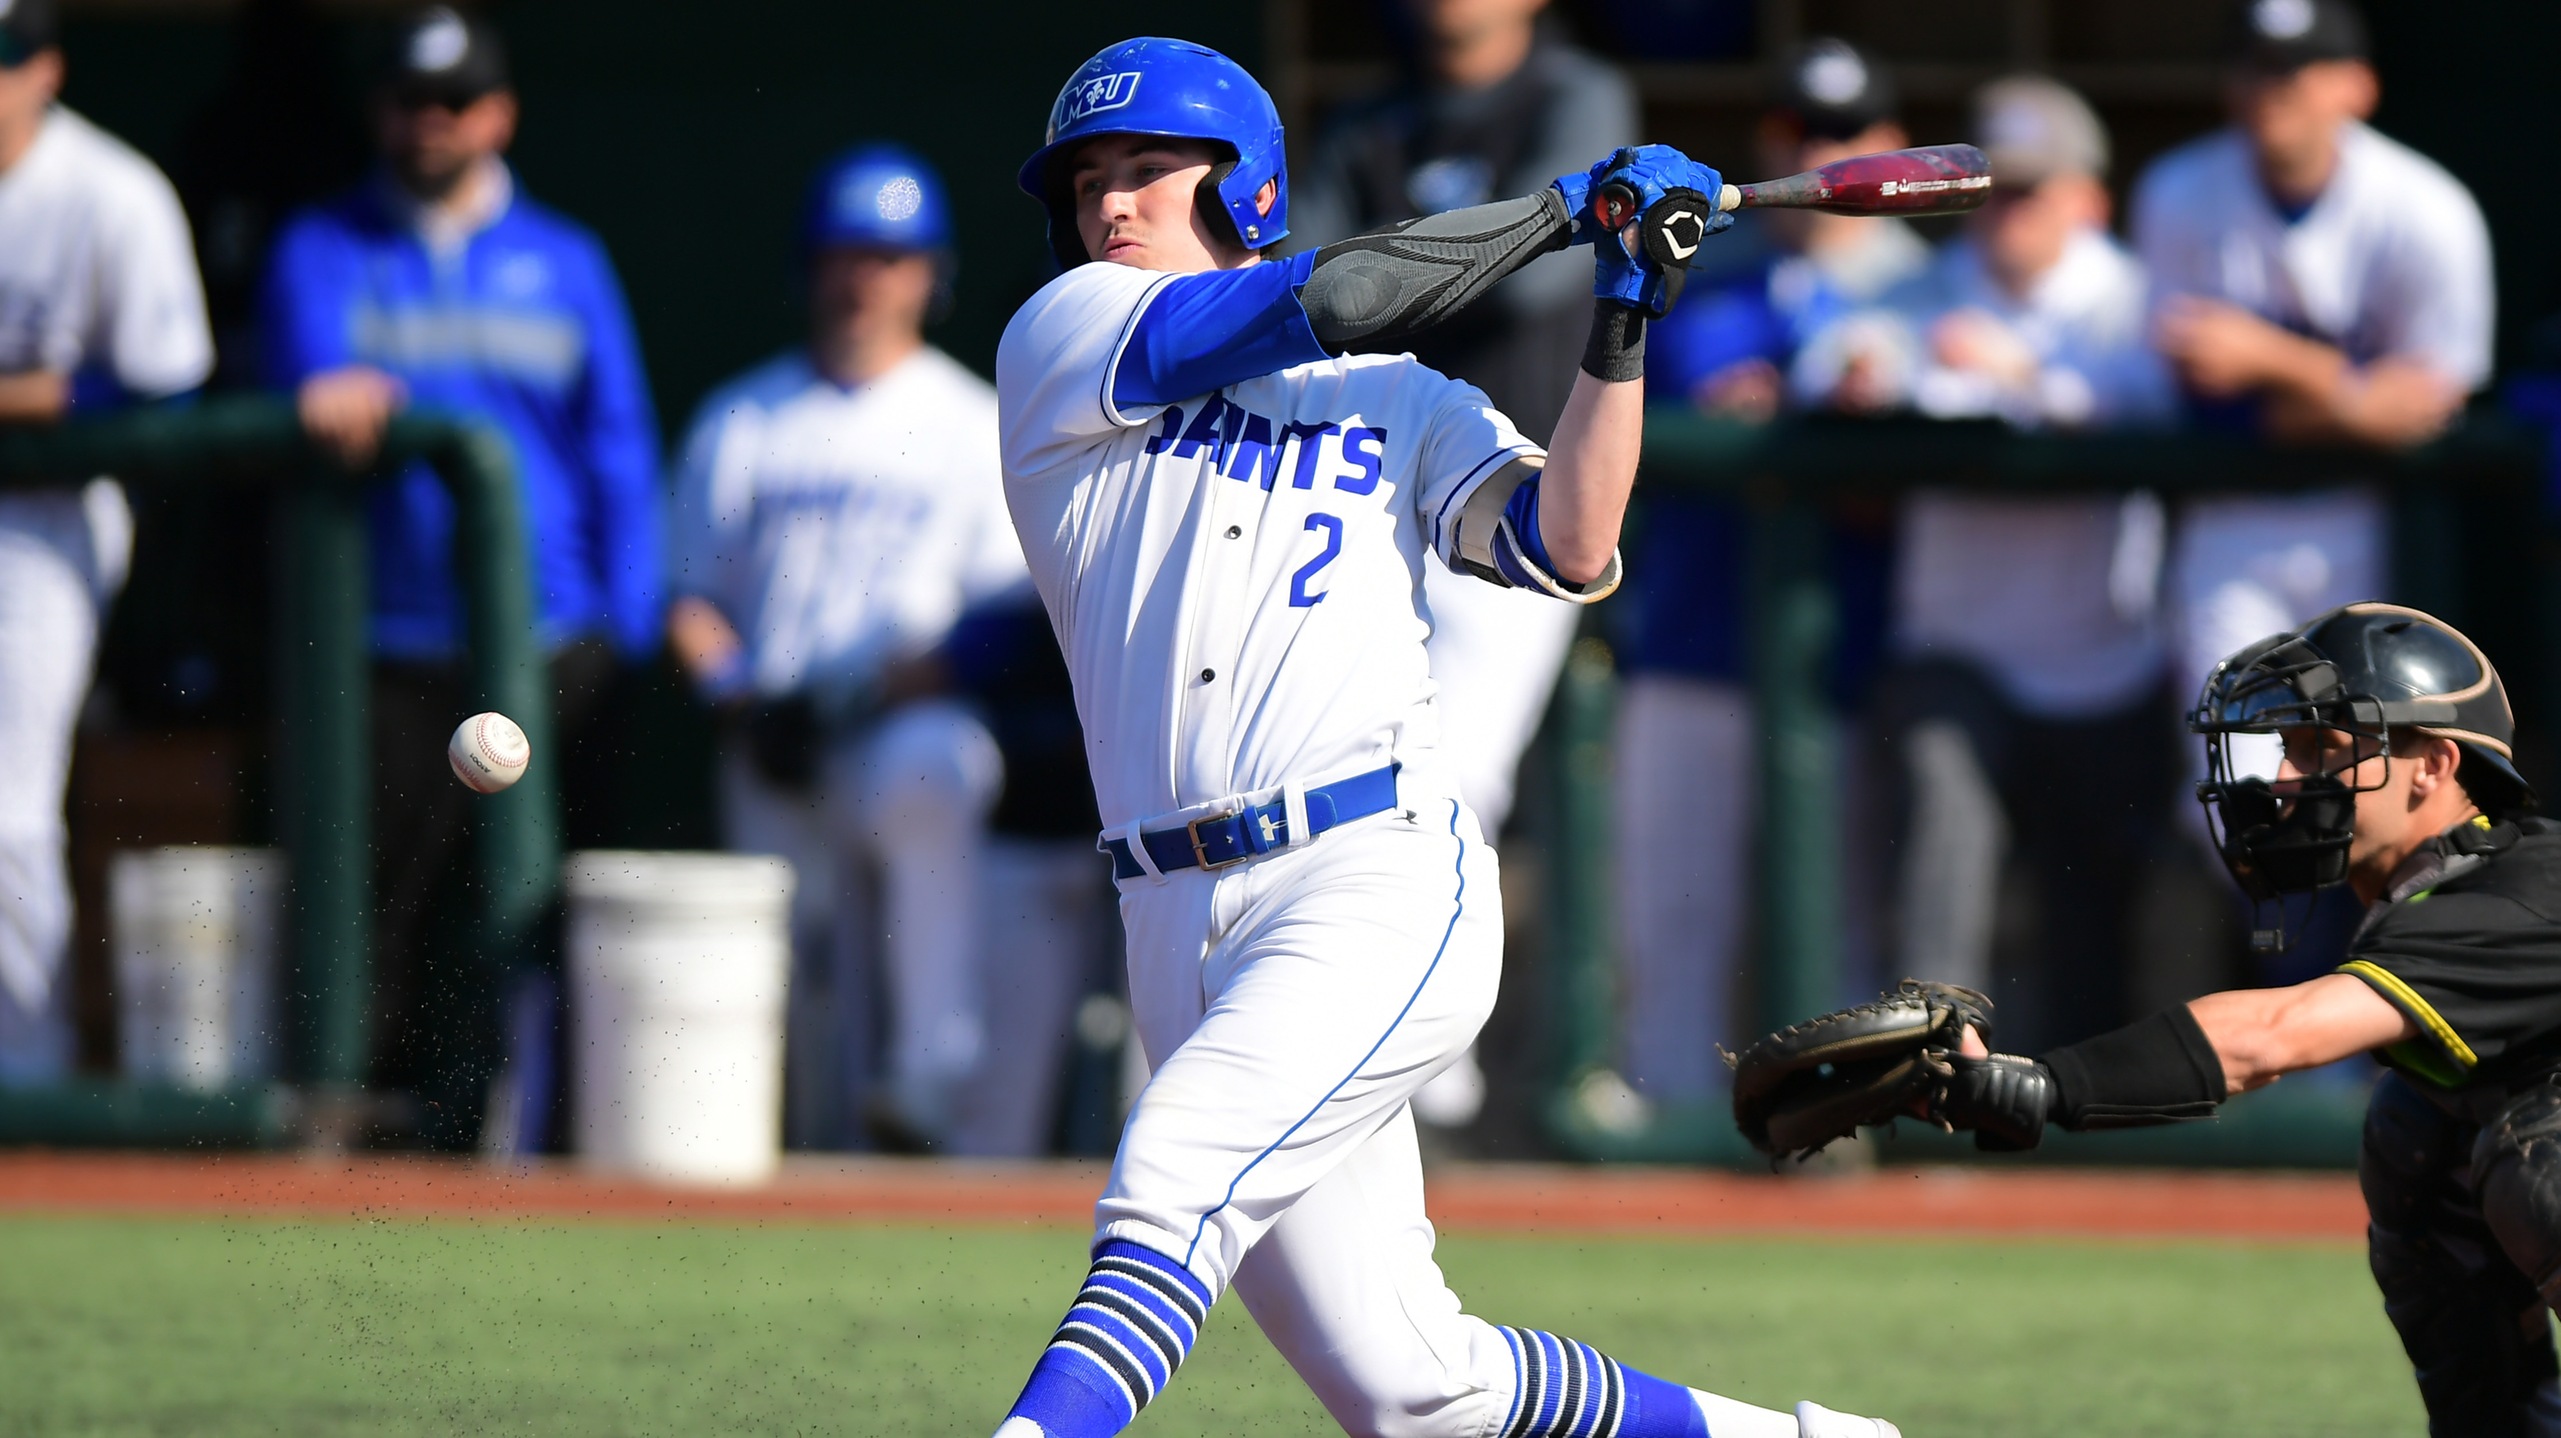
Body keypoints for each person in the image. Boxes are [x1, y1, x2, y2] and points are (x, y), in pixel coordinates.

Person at [989, 35, 1896, 1438]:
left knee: (1167, 1177)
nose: (1114, 204)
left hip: (1372, 872)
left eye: (1152, 172)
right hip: (1171, 914)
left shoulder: (1396, 396)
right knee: (1416, 1390)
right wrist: (1559, 209)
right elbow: (1341, 289)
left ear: (1246, 186)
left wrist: (1623, 303)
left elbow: (1567, 540)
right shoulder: (1063, 343)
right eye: (1091, 181)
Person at [1844, 604, 2560, 1433]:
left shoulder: (2513, 887)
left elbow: (2274, 1036)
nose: (2288, 779)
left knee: (2538, 1157)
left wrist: (2038, 1086)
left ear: (2433, 764)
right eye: (2289, 749)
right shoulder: (2450, 895)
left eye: (2321, 749)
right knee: (2418, 1139)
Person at [260, 6, 661, 1140]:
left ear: (497, 113)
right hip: (393, 636)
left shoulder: (566, 260)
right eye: (408, 101)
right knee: (388, 906)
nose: (429, 124)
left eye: (453, 102)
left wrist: (623, 630)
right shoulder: (323, 246)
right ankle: (378, 1145)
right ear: (378, 112)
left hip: (553, 641)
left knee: (533, 908)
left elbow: (619, 447)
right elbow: (305, 369)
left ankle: (543, 1145)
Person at [1292, 0, 1640, 1131]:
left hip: (1510, 484)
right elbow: (1307, 285)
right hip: (1366, 482)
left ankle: (1420, 1043)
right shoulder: (1367, 122)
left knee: (1454, 772)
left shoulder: (1575, 97)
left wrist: (1390, 271)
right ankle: (1359, 1033)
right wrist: (1418, 266)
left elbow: (1542, 274)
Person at [1794, 77, 2177, 1049]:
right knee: (1941, 845)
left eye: (2031, 191)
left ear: (2086, 198)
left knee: (2089, 919)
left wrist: (2022, 375)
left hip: (2100, 660)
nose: (2005, 212)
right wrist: (1856, 379)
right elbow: (1840, 357)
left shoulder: (2129, 296)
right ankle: (1928, 1069)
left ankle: (2075, 1135)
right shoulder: (1921, 285)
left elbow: (2148, 401)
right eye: (1993, 189)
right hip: (1953, 646)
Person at [666, 144, 1030, 1152]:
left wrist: (870, 694)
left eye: (889, 256)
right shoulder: (744, 416)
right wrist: (736, 697)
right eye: (845, 254)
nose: (864, 278)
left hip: (898, 716)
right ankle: (780, 1138)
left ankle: (927, 1076)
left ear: (928, 273)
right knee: (783, 971)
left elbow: (1002, 617)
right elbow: (689, 595)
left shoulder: (967, 418)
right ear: (809, 265)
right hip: (771, 724)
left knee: (938, 769)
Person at [1611, 36, 1923, 1109]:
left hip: (1841, 657)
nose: (1818, 152)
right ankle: (1662, 1148)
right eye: (1799, 131)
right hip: (1691, 642)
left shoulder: (1928, 295)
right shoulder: (1702, 277)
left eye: (1843, 134)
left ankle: (1835, 1137)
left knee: (1838, 926)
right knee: (1670, 922)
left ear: (1884, 147)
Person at [2132, 0, 2492, 848]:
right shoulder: (2180, 191)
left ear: (2354, 86)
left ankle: (2357, 974)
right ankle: (2276, 964)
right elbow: (2191, 393)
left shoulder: (2422, 207)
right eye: (2253, 67)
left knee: (2376, 787)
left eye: (2292, 70)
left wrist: (2275, 361)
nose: (2270, 91)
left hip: (2371, 529)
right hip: (2231, 531)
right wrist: (2353, 400)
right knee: (2242, 794)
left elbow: (2431, 406)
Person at [0, 0, 215, 1081]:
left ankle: (24, 1076)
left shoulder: (110, 191)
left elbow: (167, 384)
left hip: (43, 518)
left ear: (46, 68)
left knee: (4, 806)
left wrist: (30, 399)